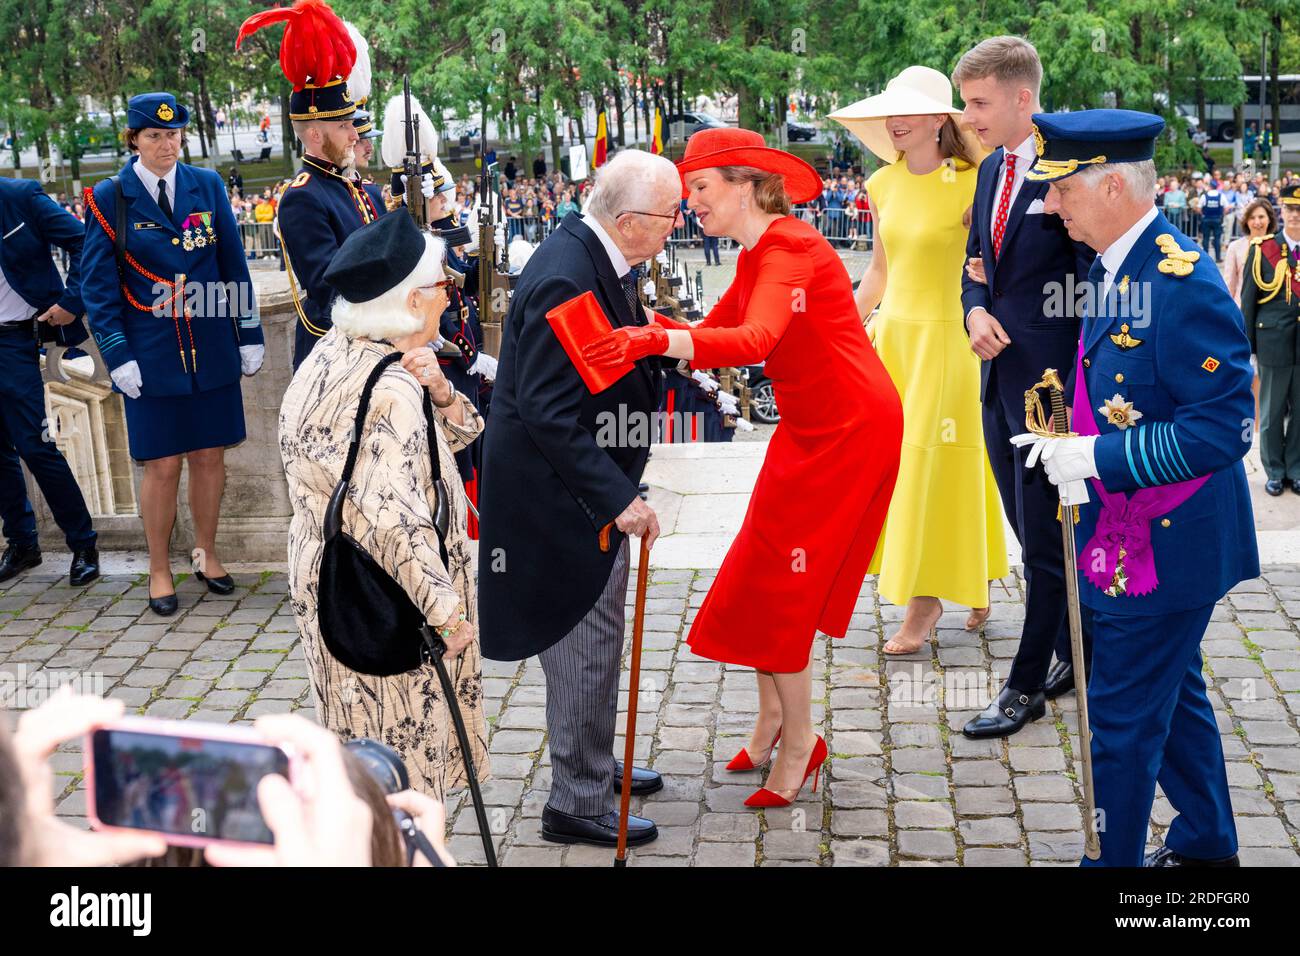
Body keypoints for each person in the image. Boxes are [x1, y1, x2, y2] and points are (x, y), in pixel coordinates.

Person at [584, 127, 905, 809]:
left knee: (787, 587)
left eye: (699, 188)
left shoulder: (788, 245)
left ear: (745, 184)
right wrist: (628, 322)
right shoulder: (758, 252)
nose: (689, 203)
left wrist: (647, 335)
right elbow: (707, 338)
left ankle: (801, 741)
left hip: (848, 431)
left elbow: (754, 339)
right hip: (810, 429)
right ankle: (771, 721)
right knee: (765, 571)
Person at [1020, 109, 1258, 867]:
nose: (1050, 206)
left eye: (1061, 191)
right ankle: (1209, 845)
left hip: (1168, 543)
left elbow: (1223, 431)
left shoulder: (1179, 279)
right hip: (1129, 533)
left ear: (1114, 184)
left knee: (1121, 720)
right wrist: (1076, 439)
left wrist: (1096, 458)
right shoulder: (1114, 264)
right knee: (1174, 702)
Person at [477, 149, 678, 848]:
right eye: (668, 216)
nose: (677, 226)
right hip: (557, 501)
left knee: (597, 637)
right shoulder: (568, 276)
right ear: (626, 222)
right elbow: (548, 410)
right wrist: (616, 496)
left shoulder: (594, 256)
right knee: (583, 642)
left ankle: (594, 765)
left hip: (575, 484)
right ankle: (576, 800)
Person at [279, 211, 490, 799]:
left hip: (328, 575)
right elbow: (391, 515)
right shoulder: (391, 387)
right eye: (445, 287)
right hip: (386, 590)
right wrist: (446, 611)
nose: (451, 299)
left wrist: (443, 394)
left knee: (357, 745)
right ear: (414, 299)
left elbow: (411, 455)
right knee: (405, 758)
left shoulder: (333, 352)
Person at [830, 65, 1008, 654]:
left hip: (950, 344)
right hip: (895, 344)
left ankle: (926, 603)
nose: (896, 120)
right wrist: (842, 325)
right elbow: (881, 272)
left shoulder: (978, 180)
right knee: (903, 468)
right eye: (890, 110)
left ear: (941, 119)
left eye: (909, 109)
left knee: (938, 463)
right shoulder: (881, 185)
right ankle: (972, 573)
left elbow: (993, 264)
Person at [952, 36, 1095, 738]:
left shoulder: (1070, 167)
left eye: (979, 103)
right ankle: (1076, 649)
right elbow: (976, 263)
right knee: (1027, 530)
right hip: (995, 382)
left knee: (1044, 540)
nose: (968, 116)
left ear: (1022, 98)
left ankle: (1025, 684)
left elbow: (1091, 281)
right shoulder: (988, 172)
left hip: (1052, 391)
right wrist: (974, 308)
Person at [80, 92, 263, 616]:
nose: (167, 144)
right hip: (151, 354)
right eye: (155, 135)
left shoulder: (205, 185)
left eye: (175, 134)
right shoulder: (110, 197)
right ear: (134, 139)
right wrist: (117, 355)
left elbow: (232, 263)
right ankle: (159, 569)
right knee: (161, 465)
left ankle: (206, 554)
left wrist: (247, 333)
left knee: (209, 458)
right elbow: (97, 288)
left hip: (209, 348)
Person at [238, 0, 387, 370]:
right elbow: (330, 289)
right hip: (336, 355)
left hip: (377, 343)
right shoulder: (302, 198)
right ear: (317, 133)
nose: (355, 134)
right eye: (345, 126)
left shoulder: (353, 188)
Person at [0, 176, 100, 586]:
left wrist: (70, 302)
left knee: (35, 446)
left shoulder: (18, 196)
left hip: (12, 339)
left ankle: (83, 544)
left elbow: (85, 241)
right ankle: (23, 544)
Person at [1239, 184, 1300, 497]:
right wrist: (1247, 348)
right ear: (1283, 213)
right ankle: (1275, 471)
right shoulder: (1263, 249)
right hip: (1273, 341)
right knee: (1273, 412)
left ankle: (1296, 468)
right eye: (1291, 210)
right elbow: (1249, 302)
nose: (1296, 217)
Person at [1224, 197, 1277, 303]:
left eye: (1261, 217)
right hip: (1242, 308)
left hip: (1271, 312)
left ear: (1269, 219)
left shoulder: (1280, 246)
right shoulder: (1235, 247)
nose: (1257, 222)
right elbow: (1229, 284)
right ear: (1246, 221)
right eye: (1252, 218)